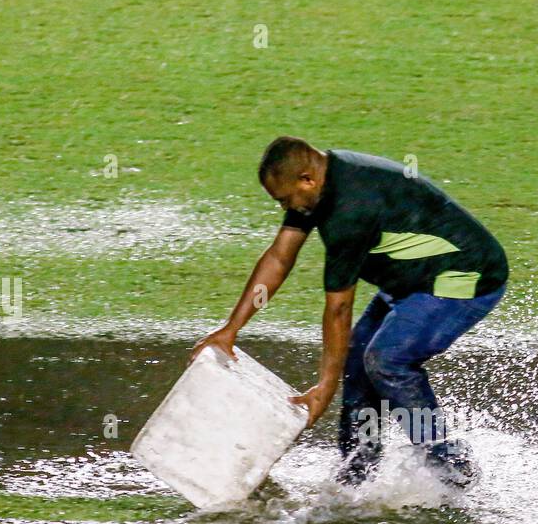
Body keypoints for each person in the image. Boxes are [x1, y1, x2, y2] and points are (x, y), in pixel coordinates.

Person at [190, 137, 508, 488]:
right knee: (357, 361)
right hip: (410, 279)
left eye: (284, 200)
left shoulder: (350, 210)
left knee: (387, 361)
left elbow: (339, 308)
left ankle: (451, 468)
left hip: (464, 277)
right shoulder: (321, 184)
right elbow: (280, 258)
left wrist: (325, 388)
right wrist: (232, 328)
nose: (285, 208)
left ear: (307, 180)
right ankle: (357, 472)